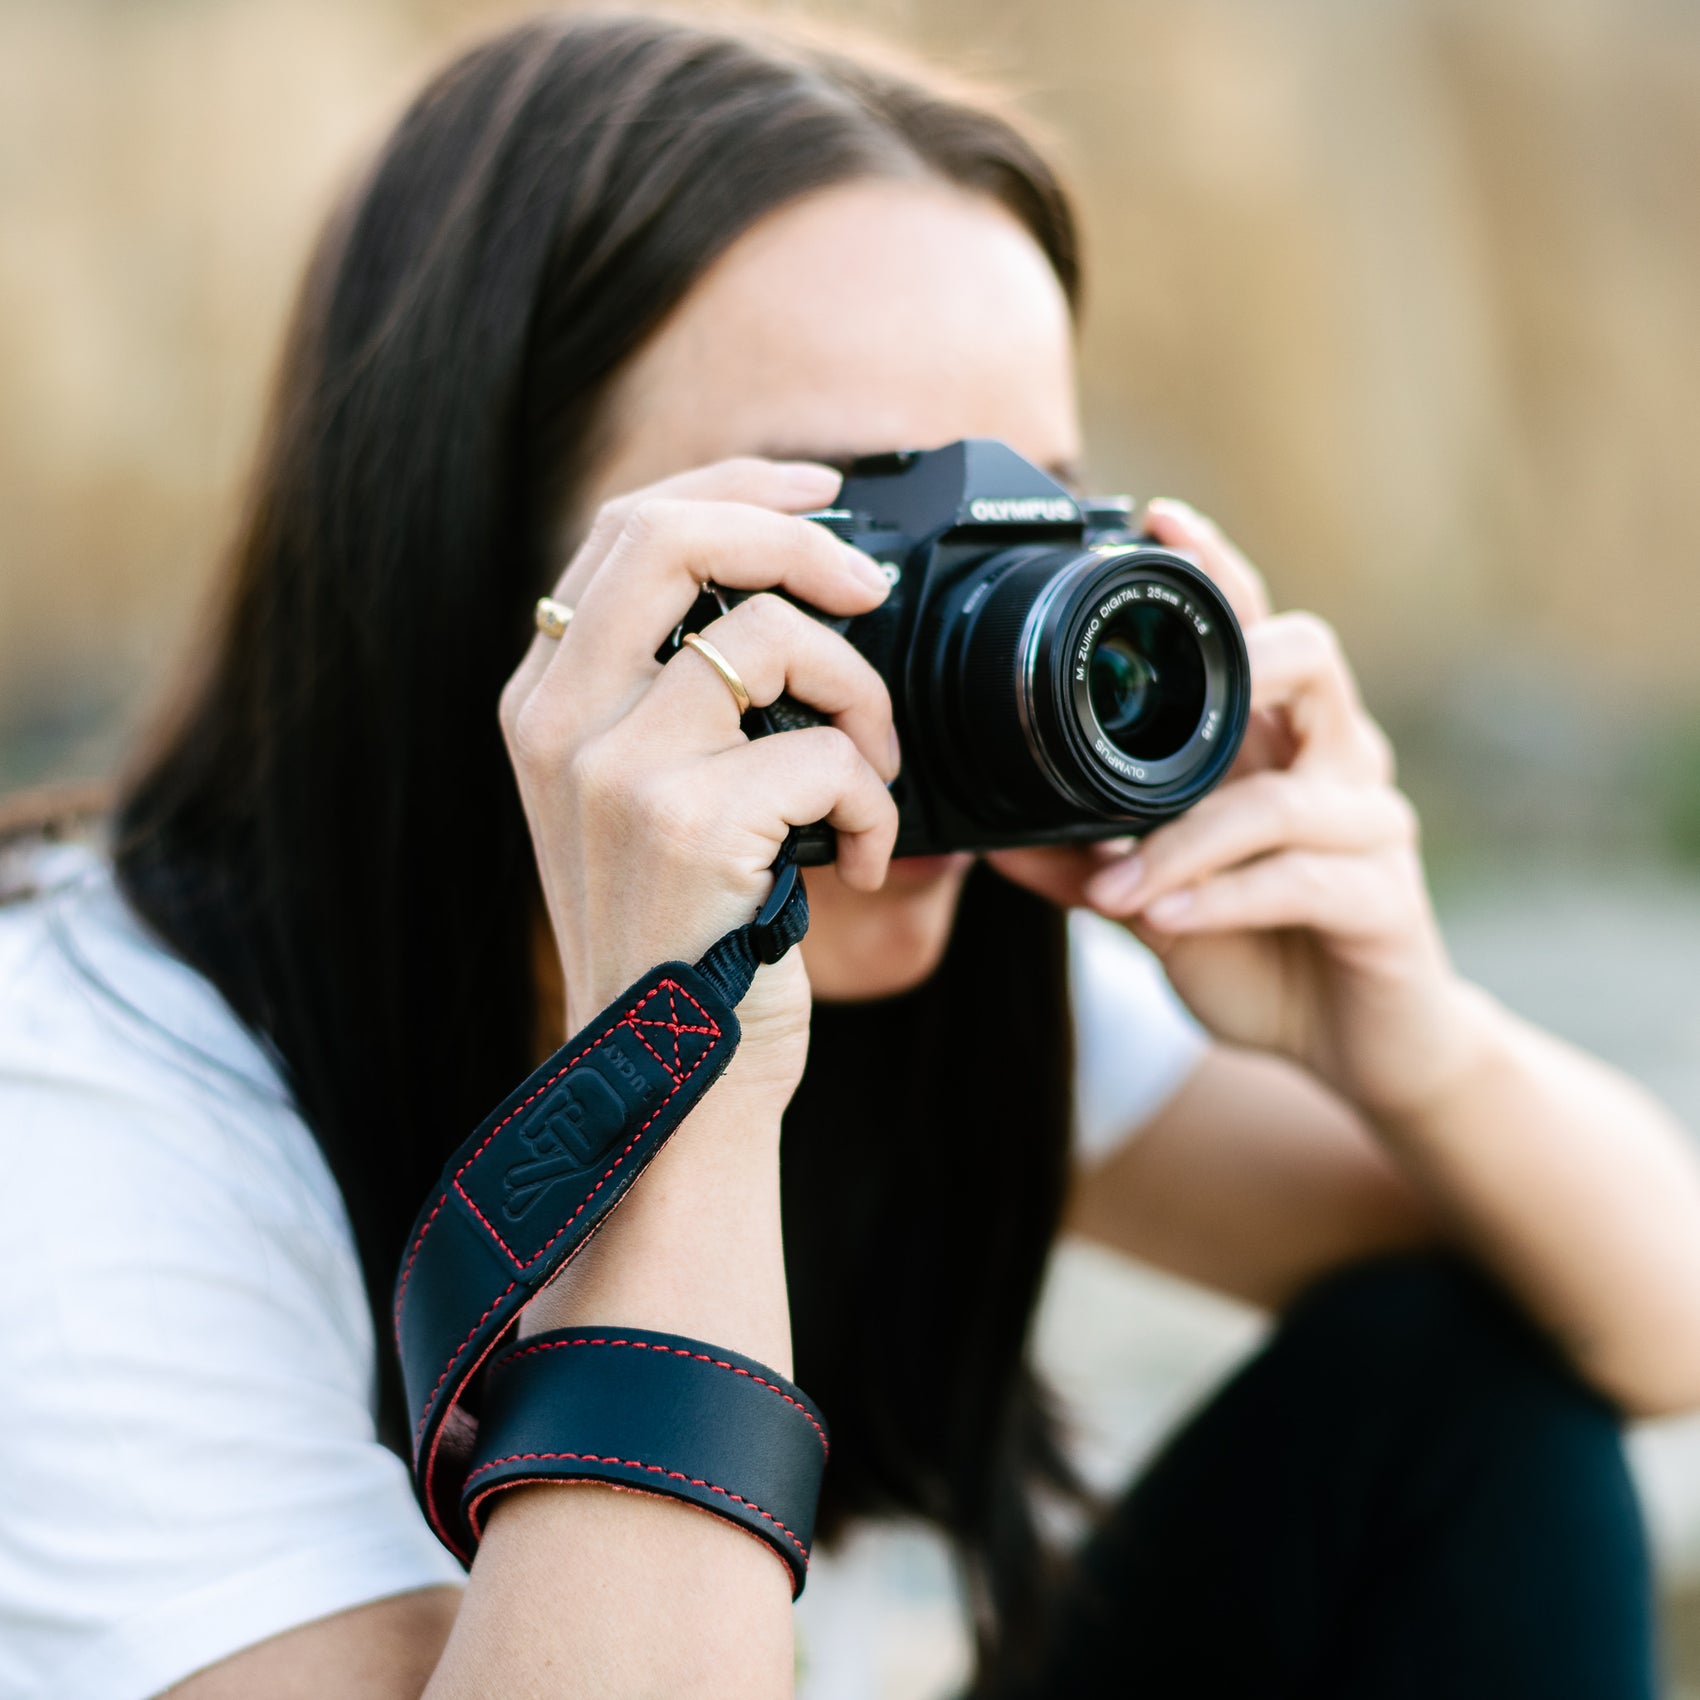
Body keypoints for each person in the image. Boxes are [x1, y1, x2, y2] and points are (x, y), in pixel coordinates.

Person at [3, 9, 1699, 1699]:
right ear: (479, 574)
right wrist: (675, 1070)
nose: (955, 635)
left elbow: (1661, 1325)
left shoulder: (921, 932)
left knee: (1456, 1390)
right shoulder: (88, 1117)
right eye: (839, 541)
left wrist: (1400, 1038)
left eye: (1015, 515)